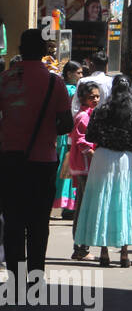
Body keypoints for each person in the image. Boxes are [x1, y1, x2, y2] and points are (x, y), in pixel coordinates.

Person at [0, 29, 74, 277]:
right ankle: (35, 278)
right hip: (42, 161)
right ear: (45, 53)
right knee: (38, 223)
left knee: (12, 222)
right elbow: (66, 124)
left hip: (8, 159)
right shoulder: (55, 82)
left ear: (20, 51)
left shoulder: (5, 79)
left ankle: (16, 279)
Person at [74, 75, 132, 269]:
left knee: (102, 203)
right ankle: (124, 254)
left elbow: (90, 135)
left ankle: (104, 253)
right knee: (124, 203)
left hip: (102, 158)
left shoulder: (101, 111)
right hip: (126, 160)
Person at [66, 81, 100, 259]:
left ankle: (81, 247)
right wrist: (94, 154)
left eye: (97, 96)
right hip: (84, 167)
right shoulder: (83, 117)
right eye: (91, 97)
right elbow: (80, 141)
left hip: (86, 167)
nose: (95, 99)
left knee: (84, 207)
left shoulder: (90, 115)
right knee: (83, 208)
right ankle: (80, 248)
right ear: (82, 99)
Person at [54, 61, 82, 218]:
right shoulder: (72, 90)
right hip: (66, 135)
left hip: (63, 133)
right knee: (65, 169)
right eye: (78, 73)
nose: (80, 76)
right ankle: (67, 205)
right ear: (70, 73)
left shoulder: (63, 87)